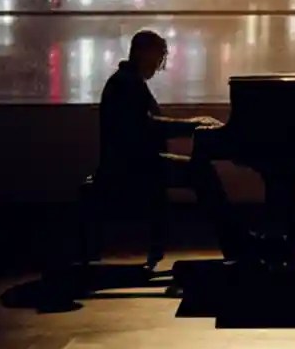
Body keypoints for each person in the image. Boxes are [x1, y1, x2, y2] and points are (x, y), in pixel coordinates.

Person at [98, 29, 250, 264]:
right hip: (131, 167)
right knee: (202, 173)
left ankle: (235, 242)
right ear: (142, 54)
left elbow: (147, 125)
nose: (158, 66)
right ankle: (236, 243)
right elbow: (148, 125)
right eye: (157, 58)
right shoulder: (127, 84)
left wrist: (190, 126)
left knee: (201, 172)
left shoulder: (125, 81)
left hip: (130, 163)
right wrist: (192, 126)